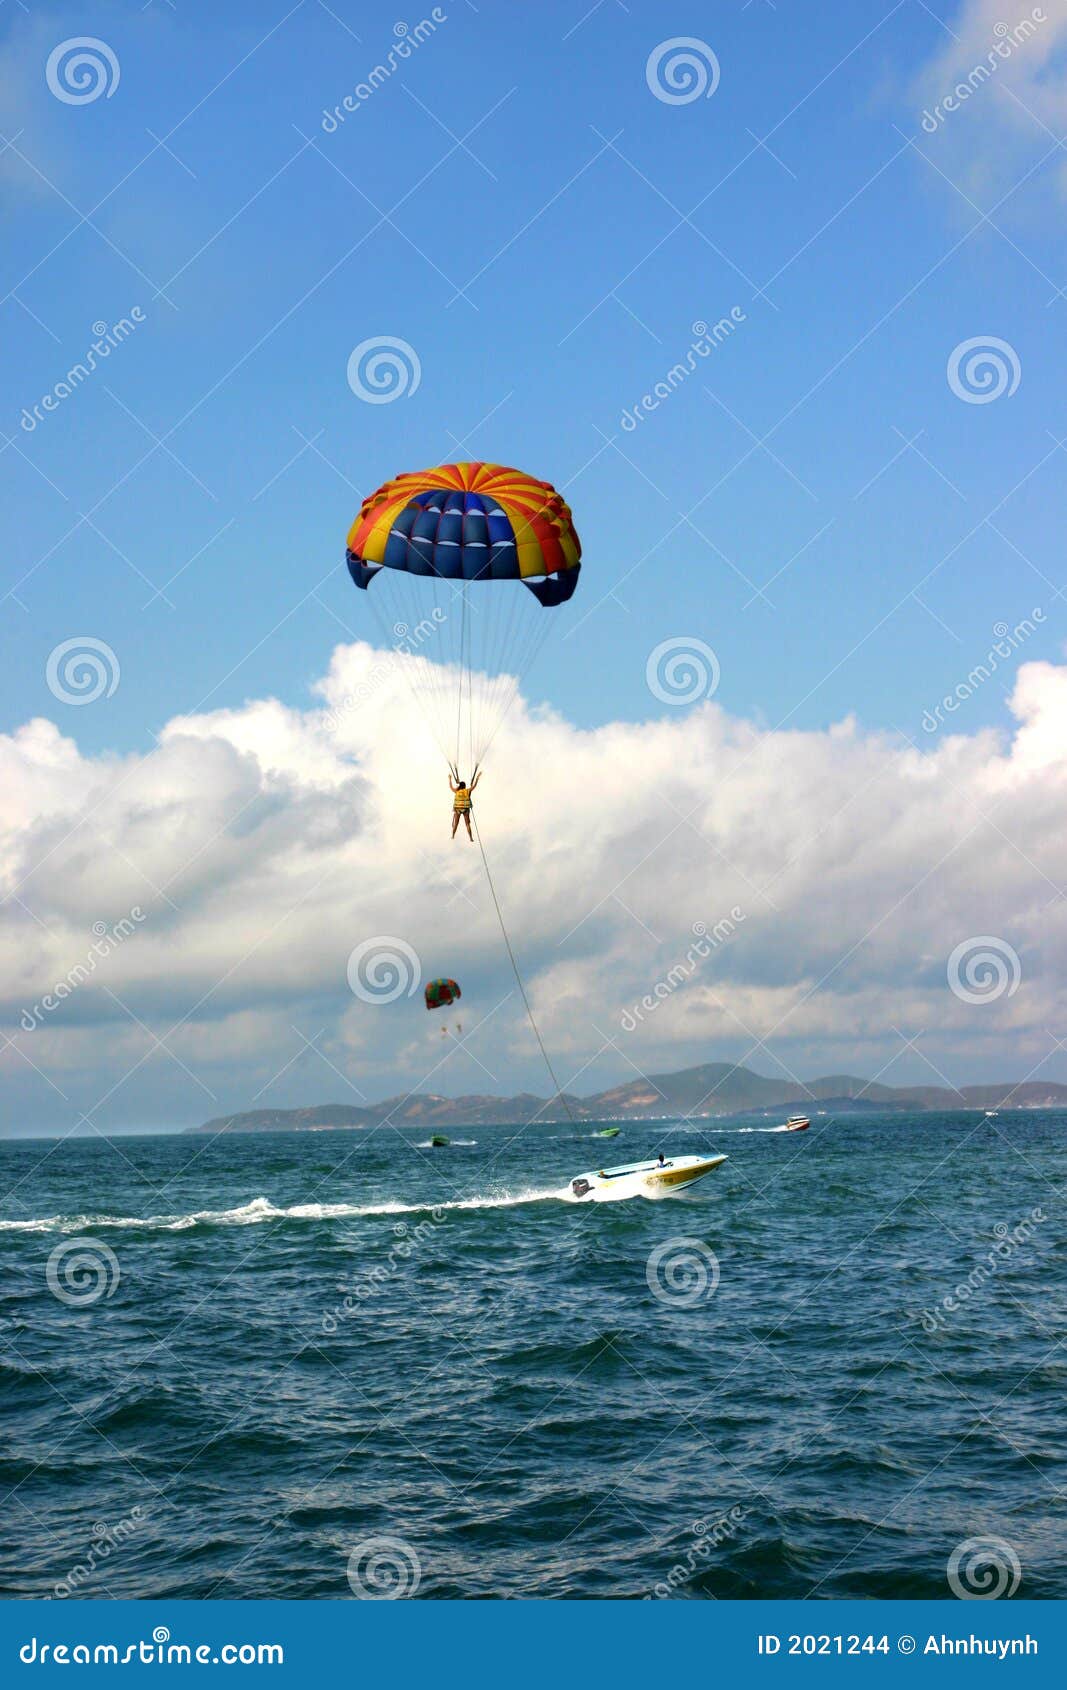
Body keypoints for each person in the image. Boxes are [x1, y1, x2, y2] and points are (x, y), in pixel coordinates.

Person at [450, 769, 482, 841]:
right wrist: (477, 778)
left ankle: (453, 835)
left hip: (458, 809)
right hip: (465, 809)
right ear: (464, 786)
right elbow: (474, 786)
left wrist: (450, 779)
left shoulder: (456, 791)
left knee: (456, 824)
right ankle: (471, 838)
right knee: (467, 824)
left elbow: (451, 787)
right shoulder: (467, 790)